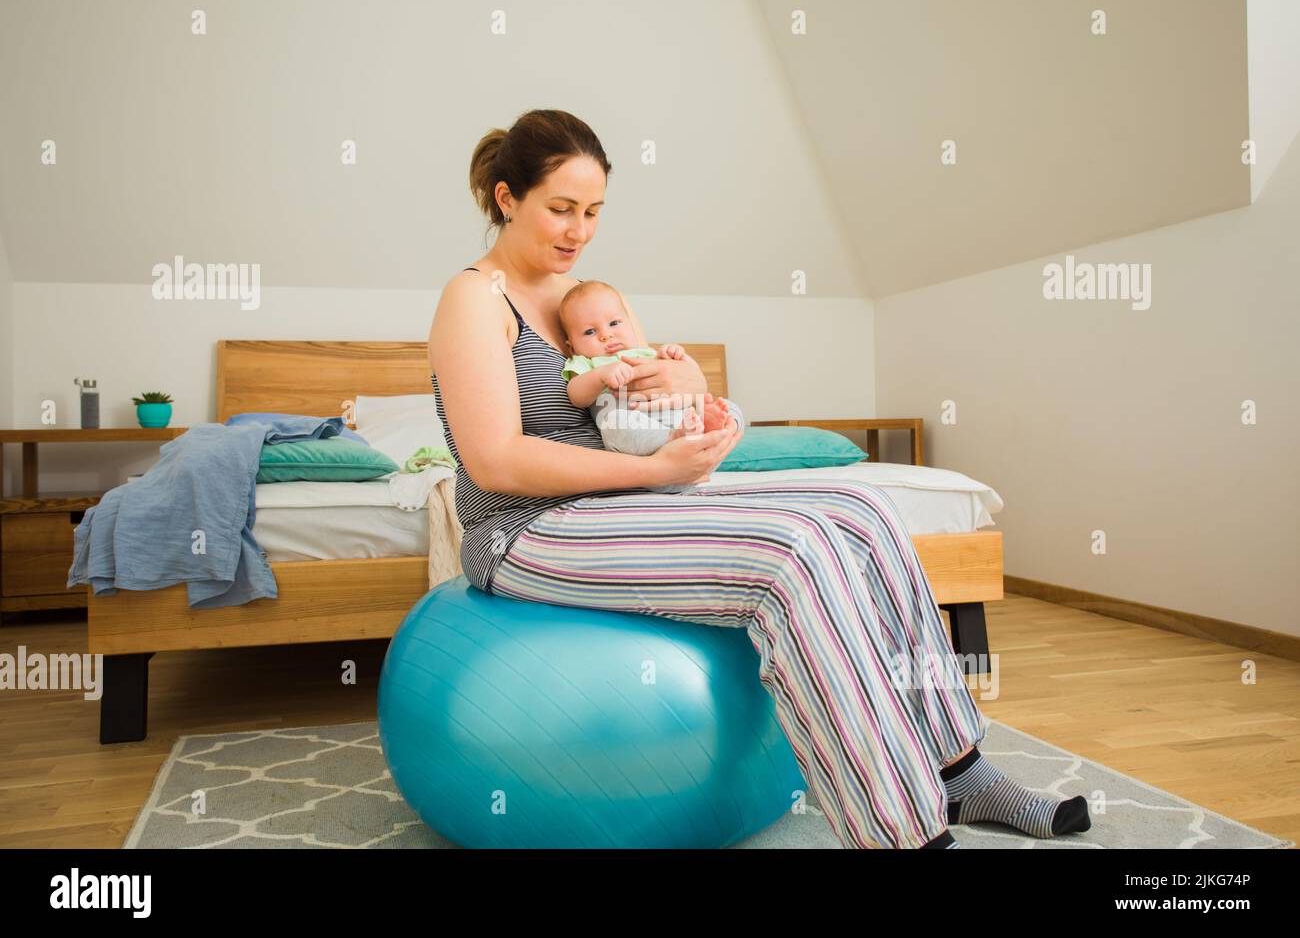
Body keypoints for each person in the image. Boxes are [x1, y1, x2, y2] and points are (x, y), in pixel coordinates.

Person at [427, 108, 1091, 849]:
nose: (578, 230)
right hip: (525, 528)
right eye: (560, 210)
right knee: (793, 552)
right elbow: (496, 461)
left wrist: (695, 404)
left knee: (859, 507)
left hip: (624, 500)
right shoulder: (473, 300)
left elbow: (643, 398)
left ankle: (960, 772)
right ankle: (900, 834)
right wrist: (652, 470)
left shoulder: (587, 296)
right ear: (507, 196)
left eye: (593, 212)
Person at [556, 278, 744, 492]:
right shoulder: (586, 362)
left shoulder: (647, 353)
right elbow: (576, 395)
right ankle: (673, 439)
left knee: (731, 409)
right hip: (645, 447)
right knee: (615, 421)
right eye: (590, 332)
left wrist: (678, 358)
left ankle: (705, 432)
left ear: (631, 324)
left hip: (682, 432)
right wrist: (600, 375)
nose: (606, 335)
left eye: (615, 323)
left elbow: (690, 379)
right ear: (572, 347)